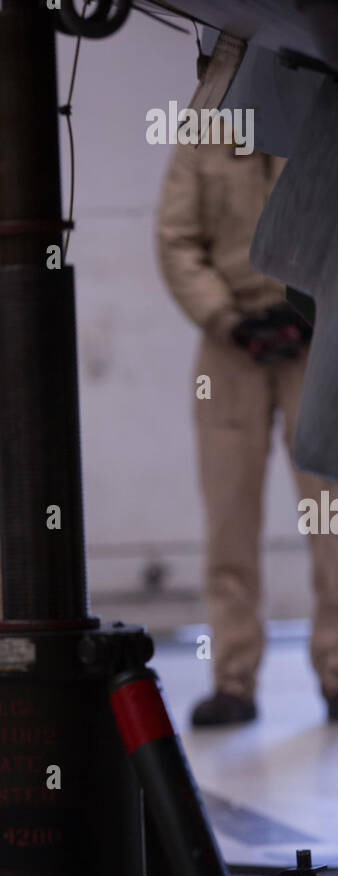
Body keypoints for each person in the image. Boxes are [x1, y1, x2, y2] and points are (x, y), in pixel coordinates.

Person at [156, 134, 338, 726]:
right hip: (229, 351)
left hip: (316, 341)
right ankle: (233, 680)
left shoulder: (319, 125)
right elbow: (176, 240)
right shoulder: (198, 144)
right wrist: (227, 319)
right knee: (229, 519)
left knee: (330, 515)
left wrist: (313, 305)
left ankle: (337, 672)